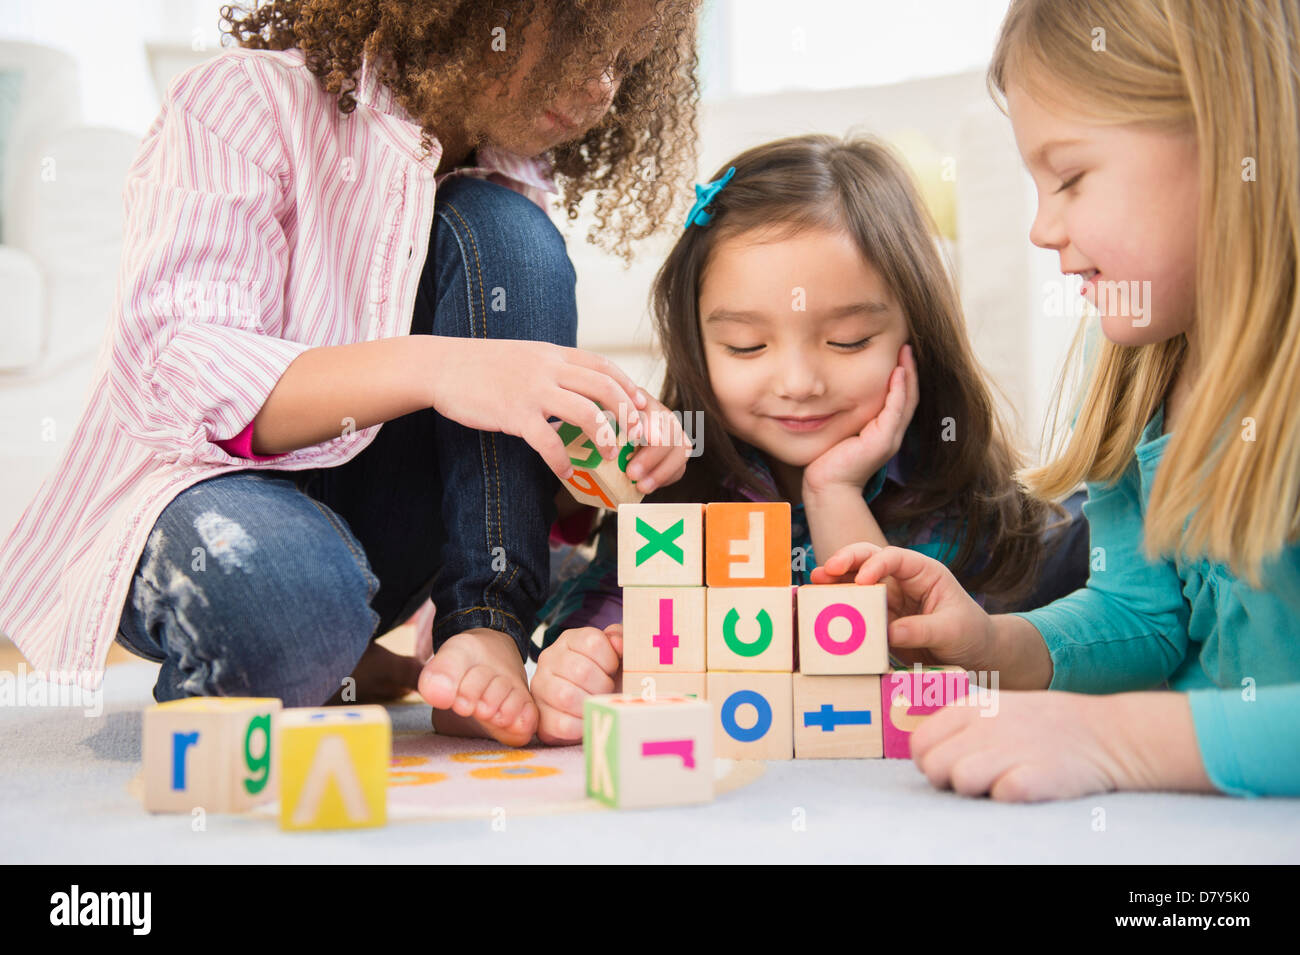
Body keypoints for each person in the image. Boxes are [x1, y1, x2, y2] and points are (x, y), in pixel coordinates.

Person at [0, 0, 698, 747]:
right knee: (286, 607)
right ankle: (328, 646)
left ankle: (485, 627)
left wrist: (597, 446)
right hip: (202, 500)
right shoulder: (243, 100)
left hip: (378, 538)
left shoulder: (511, 188)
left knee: (506, 229)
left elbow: (490, 468)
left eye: (623, 62)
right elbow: (182, 370)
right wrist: (445, 367)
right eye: (578, 41)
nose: (601, 86)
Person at [817, 0, 1300, 800]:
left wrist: (1115, 740)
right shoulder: (1138, 373)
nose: (1043, 229)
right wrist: (992, 642)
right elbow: (1141, 616)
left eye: (1071, 177)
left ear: (1234, 137)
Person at [530, 132, 1090, 745]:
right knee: (543, 572)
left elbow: (912, 691)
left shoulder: (961, 506)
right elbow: (614, 622)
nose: (799, 383)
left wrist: (834, 494)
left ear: (918, 335)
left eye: (848, 340)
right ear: (696, 347)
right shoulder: (677, 495)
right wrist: (579, 666)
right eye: (746, 346)